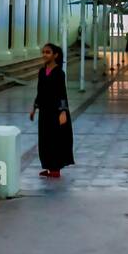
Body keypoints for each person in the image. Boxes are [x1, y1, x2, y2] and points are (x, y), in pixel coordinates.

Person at [30, 41, 74, 178]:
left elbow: (62, 93)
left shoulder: (59, 73)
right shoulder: (42, 71)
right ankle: (49, 166)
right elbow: (40, 91)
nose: (45, 55)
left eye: (48, 52)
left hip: (56, 111)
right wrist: (34, 108)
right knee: (45, 138)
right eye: (43, 52)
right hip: (45, 111)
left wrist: (62, 111)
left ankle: (56, 168)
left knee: (56, 139)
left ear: (55, 55)